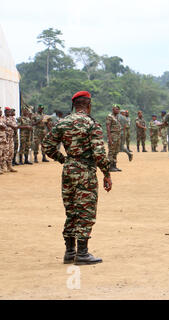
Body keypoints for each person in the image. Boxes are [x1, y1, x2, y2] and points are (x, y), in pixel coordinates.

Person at [42, 91, 112, 265]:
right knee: (85, 212)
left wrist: (64, 160)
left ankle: (69, 252)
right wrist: (106, 173)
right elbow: (99, 152)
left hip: (68, 171)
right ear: (88, 105)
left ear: (74, 105)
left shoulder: (62, 122)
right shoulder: (92, 124)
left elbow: (47, 145)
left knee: (71, 211)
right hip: (86, 172)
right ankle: (82, 253)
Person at [106, 105, 122, 172]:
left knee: (116, 151)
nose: (117, 110)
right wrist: (109, 138)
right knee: (111, 151)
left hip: (117, 136)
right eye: (116, 109)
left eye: (118, 109)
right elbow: (108, 127)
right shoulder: (110, 116)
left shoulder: (117, 117)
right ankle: (110, 166)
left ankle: (114, 166)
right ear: (113, 109)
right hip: (112, 136)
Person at [4, 108, 18, 173]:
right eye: (8, 111)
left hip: (11, 137)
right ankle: (4, 167)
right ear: (5, 112)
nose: (9, 113)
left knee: (11, 152)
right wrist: (11, 126)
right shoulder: (3, 118)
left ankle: (10, 166)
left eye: (9, 111)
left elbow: (15, 126)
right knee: (5, 152)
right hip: (5, 137)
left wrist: (15, 132)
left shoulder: (12, 118)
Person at [0, 108, 6, 174]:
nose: (1, 113)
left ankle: (2, 167)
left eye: (1, 111)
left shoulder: (2, 119)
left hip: (3, 138)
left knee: (3, 153)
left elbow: (4, 127)